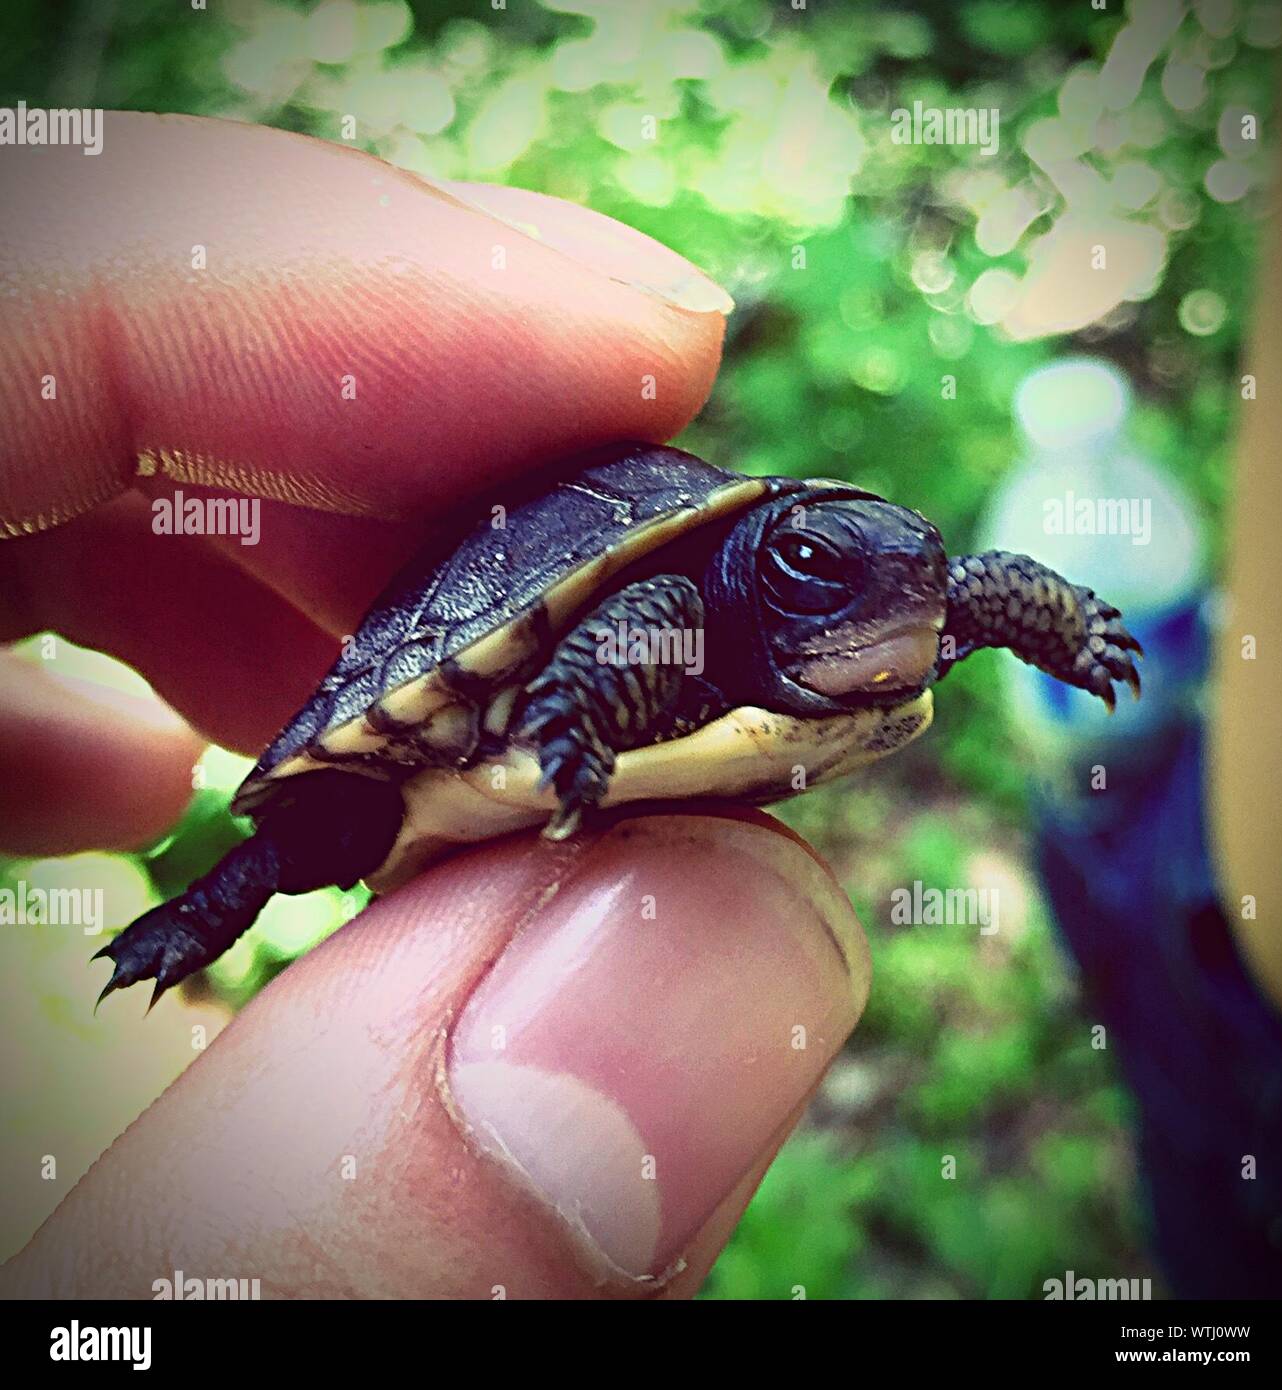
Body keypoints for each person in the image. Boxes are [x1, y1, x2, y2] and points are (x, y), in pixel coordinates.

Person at [0, 113, 866, 1298]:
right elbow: (641, 624)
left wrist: (1033, 614)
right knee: (332, 830)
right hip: (477, 718)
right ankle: (213, 899)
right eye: (823, 569)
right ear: (765, 568)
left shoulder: (869, 629)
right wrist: (579, 714)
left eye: (900, 580)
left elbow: (945, 595)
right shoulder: (673, 600)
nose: (889, 598)